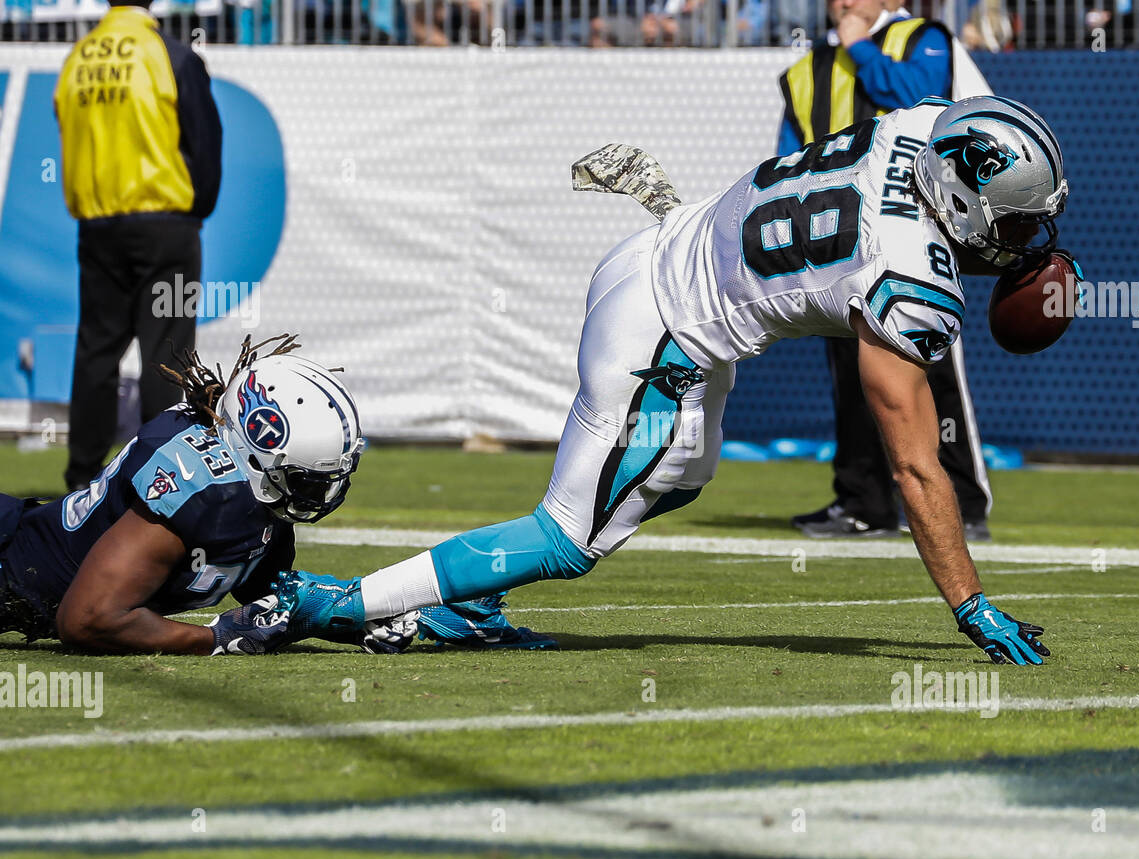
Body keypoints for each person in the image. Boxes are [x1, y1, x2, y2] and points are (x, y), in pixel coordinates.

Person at [272, 96, 1071, 667]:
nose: (1021, 241)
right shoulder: (910, 280)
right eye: (1010, 223)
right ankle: (343, 603)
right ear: (960, 199)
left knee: (684, 473)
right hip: (662, 334)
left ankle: (471, 607)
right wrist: (969, 602)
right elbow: (914, 467)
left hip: (661, 251)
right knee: (566, 539)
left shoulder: (923, 123)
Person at [0, 337, 405, 656]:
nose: (322, 494)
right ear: (256, 449)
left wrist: (348, 617)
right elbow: (88, 618)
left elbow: (263, 594)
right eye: (308, 480)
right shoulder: (206, 492)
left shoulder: (253, 488)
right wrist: (213, 637)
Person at [777, 0, 995, 542]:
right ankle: (862, 503)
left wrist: (859, 47)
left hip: (911, 231)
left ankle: (964, 504)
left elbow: (922, 106)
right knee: (849, 375)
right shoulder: (804, 71)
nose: (844, 2)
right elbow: (790, 158)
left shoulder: (925, 38)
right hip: (839, 237)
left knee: (933, 370)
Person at [55, 0, 223, 493]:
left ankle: (81, 483)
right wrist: (195, 211)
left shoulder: (79, 58)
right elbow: (205, 141)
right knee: (167, 353)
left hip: (99, 225)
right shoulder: (170, 55)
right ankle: (160, 480)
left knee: (96, 352)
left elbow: (68, 130)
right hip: (164, 226)